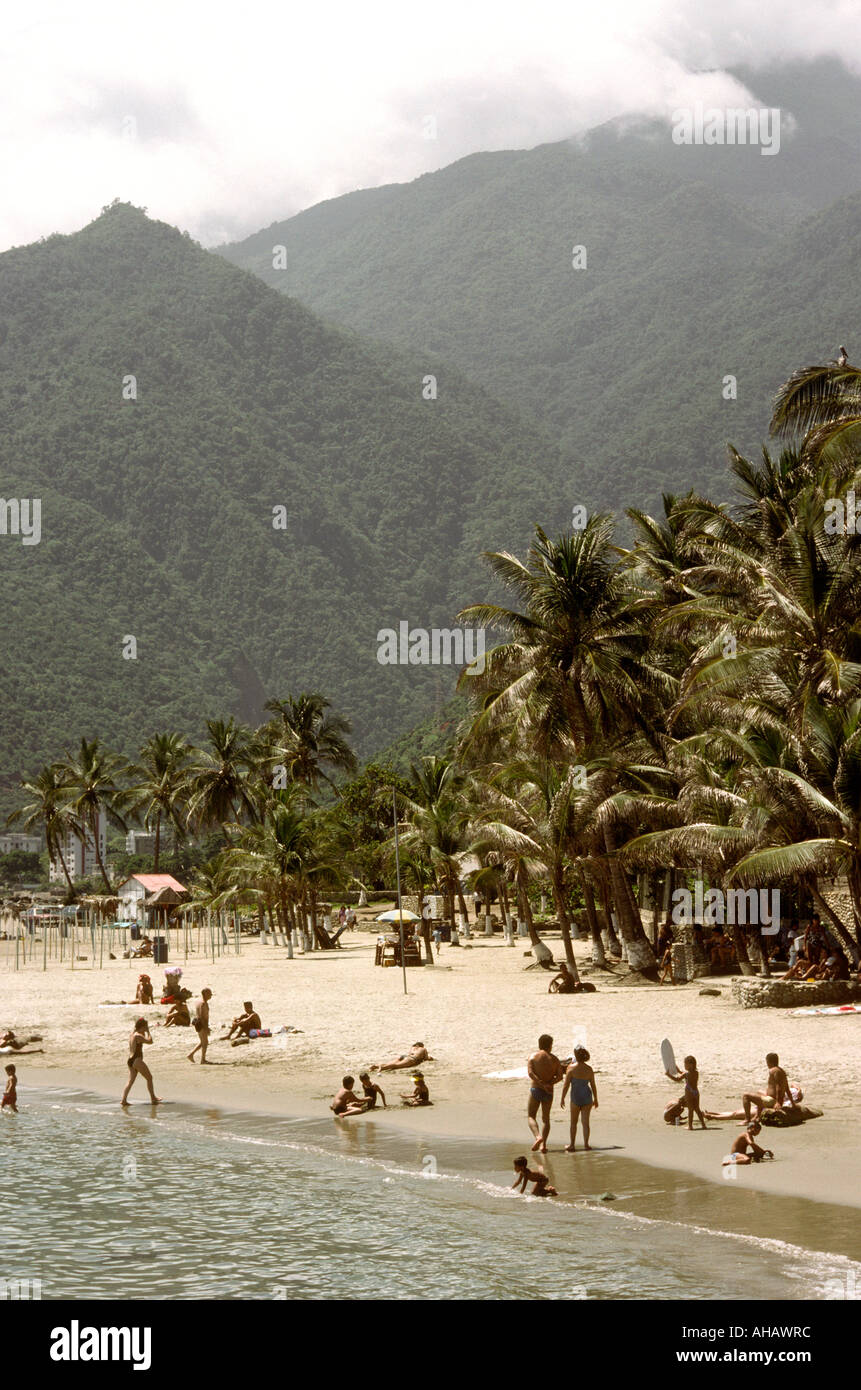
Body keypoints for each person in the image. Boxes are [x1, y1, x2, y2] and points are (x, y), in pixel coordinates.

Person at [527, 1033, 564, 1153]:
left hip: (536, 1089)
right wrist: (549, 1083)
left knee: (531, 1115)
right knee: (546, 1119)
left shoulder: (533, 1057)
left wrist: (541, 1083)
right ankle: (544, 1146)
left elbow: (531, 1073)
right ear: (550, 1045)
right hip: (549, 1091)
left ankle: (538, 1137)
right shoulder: (554, 1059)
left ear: (539, 1044)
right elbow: (560, 1076)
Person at [560, 1045, 598, 1151]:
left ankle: (572, 1145)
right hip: (587, 1097)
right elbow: (593, 1085)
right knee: (585, 1123)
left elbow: (566, 1085)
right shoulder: (589, 1069)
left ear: (575, 1055)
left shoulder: (571, 1068)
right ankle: (586, 1145)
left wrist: (562, 1097)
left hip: (575, 1098)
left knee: (573, 1123)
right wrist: (596, 1099)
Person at [742, 1052, 796, 1125]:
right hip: (773, 1099)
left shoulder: (773, 1070)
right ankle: (757, 1116)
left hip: (771, 1101)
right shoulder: (781, 1071)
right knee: (759, 1092)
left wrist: (777, 1102)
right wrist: (793, 1103)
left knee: (746, 1096)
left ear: (769, 1062)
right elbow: (787, 1089)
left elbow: (778, 1087)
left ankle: (747, 1120)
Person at [121, 1019, 160, 1106]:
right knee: (149, 1078)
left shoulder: (132, 1034)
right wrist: (148, 1032)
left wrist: (144, 1030)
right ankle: (153, 1098)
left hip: (130, 1060)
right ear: (142, 1027)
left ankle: (123, 1100)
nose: (146, 1028)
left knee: (130, 1081)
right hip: (137, 1060)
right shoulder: (138, 1036)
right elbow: (150, 1041)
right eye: (145, 1026)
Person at [669, 1054, 707, 1130]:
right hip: (696, 1093)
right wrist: (679, 1070)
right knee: (697, 1109)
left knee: (690, 1110)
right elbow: (685, 1074)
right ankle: (703, 1125)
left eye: (685, 1064)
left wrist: (668, 1075)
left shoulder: (686, 1074)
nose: (684, 1065)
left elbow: (677, 1079)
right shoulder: (696, 1073)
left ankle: (690, 1126)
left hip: (689, 1094)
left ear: (691, 1065)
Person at [187, 988, 213, 1064]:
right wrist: (206, 1027)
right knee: (205, 1042)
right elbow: (202, 1017)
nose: (211, 995)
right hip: (201, 1023)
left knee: (203, 1041)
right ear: (205, 994)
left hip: (198, 1022)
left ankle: (191, 1054)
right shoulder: (203, 1003)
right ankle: (203, 1059)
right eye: (209, 993)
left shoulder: (199, 1001)